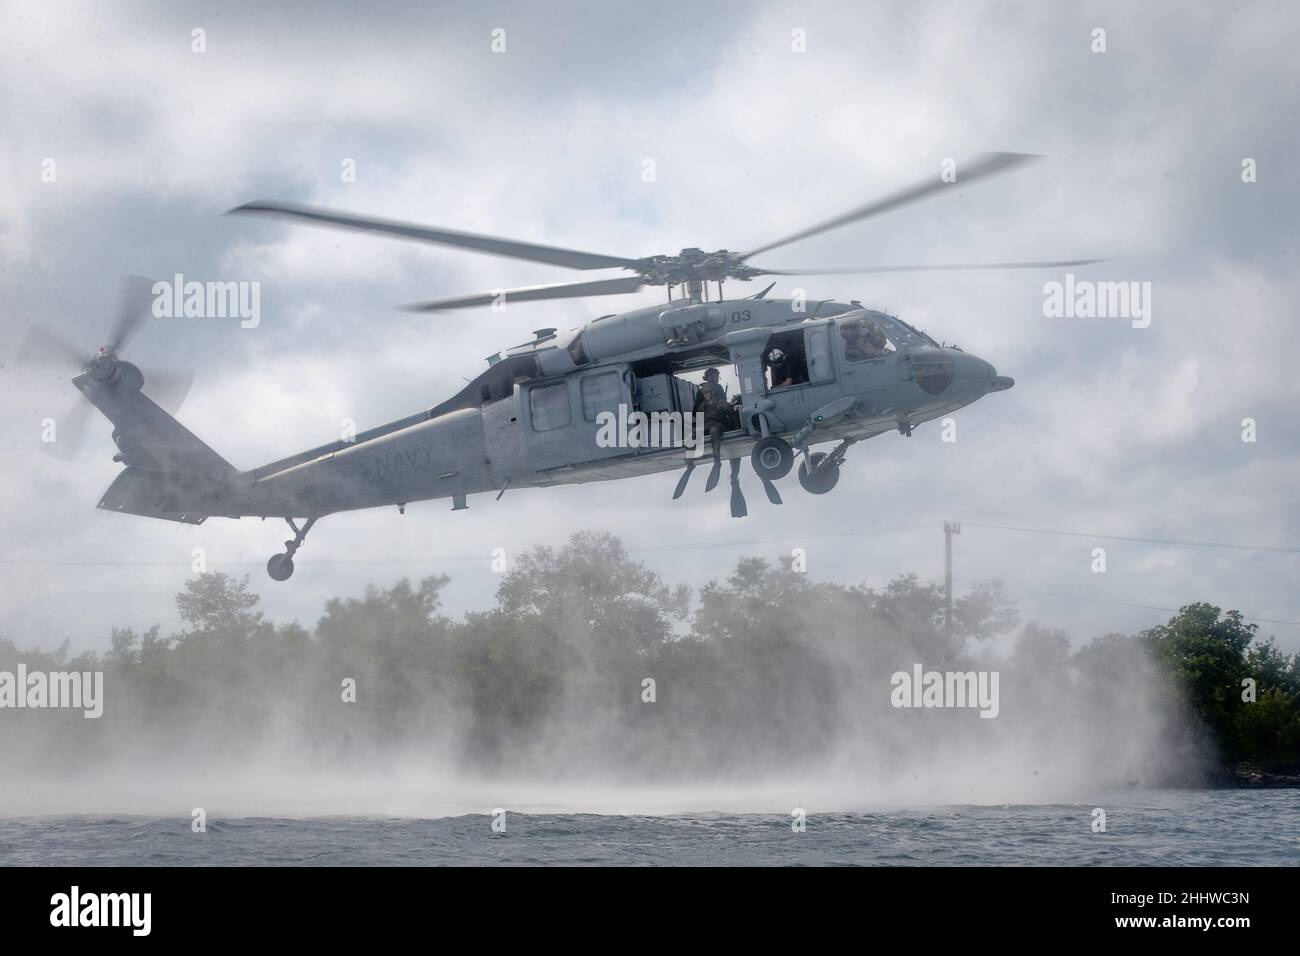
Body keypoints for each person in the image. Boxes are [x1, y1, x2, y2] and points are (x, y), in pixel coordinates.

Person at [693, 367, 730, 463]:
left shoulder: (717, 389)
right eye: (715, 376)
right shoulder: (714, 390)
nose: (717, 378)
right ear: (709, 377)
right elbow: (696, 411)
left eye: (717, 376)